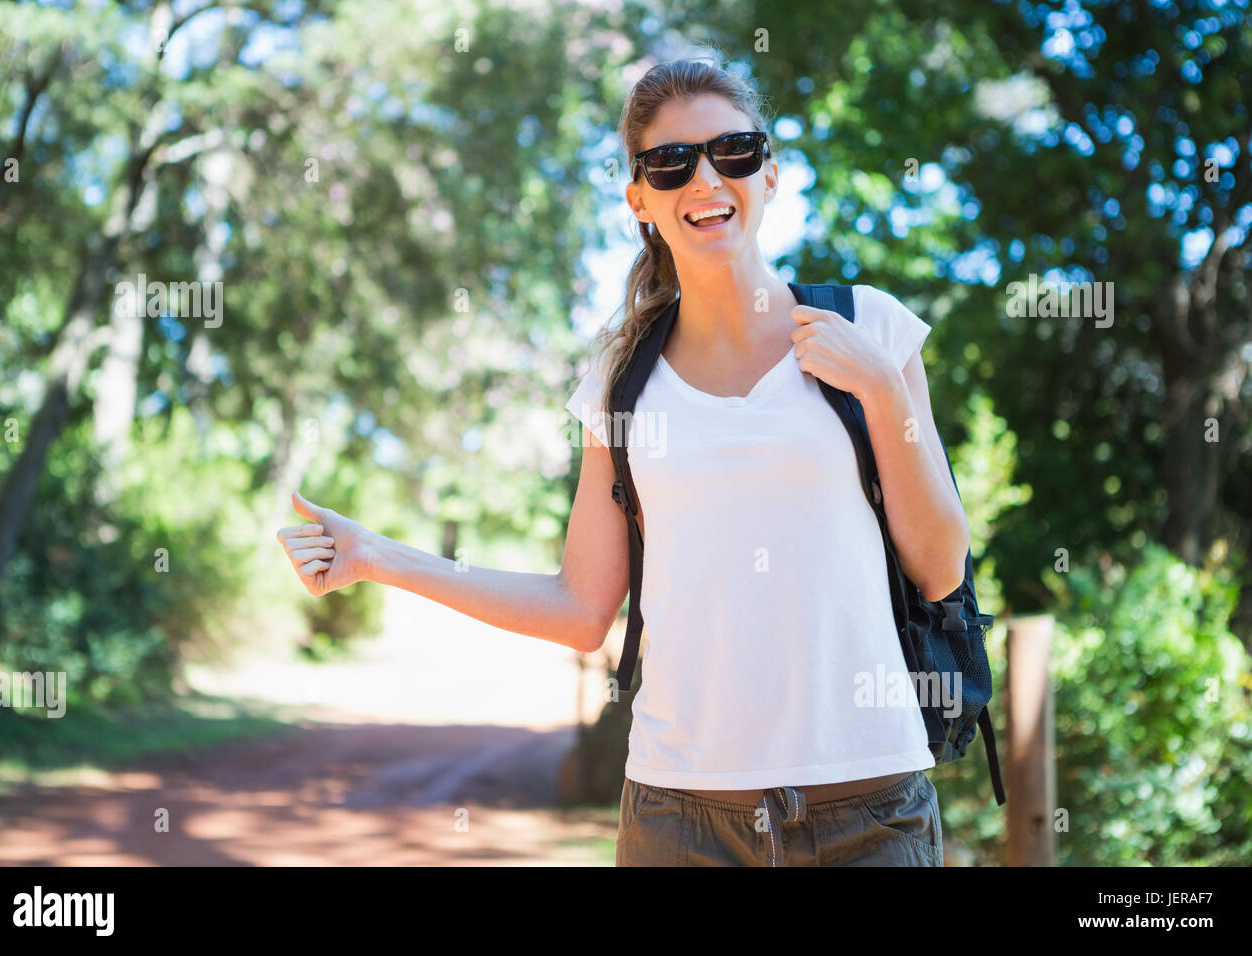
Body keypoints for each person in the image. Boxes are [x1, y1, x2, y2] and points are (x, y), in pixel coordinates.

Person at [276, 55, 972, 867]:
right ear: (640, 199)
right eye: (672, 163)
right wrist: (379, 558)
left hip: (871, 805)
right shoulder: (621, 380)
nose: (706, 179)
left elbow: (939, 563)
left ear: (771, 174)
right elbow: (581, 606)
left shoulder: (874, 333)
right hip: (679, 820)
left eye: (733, 151)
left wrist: (885, 396)